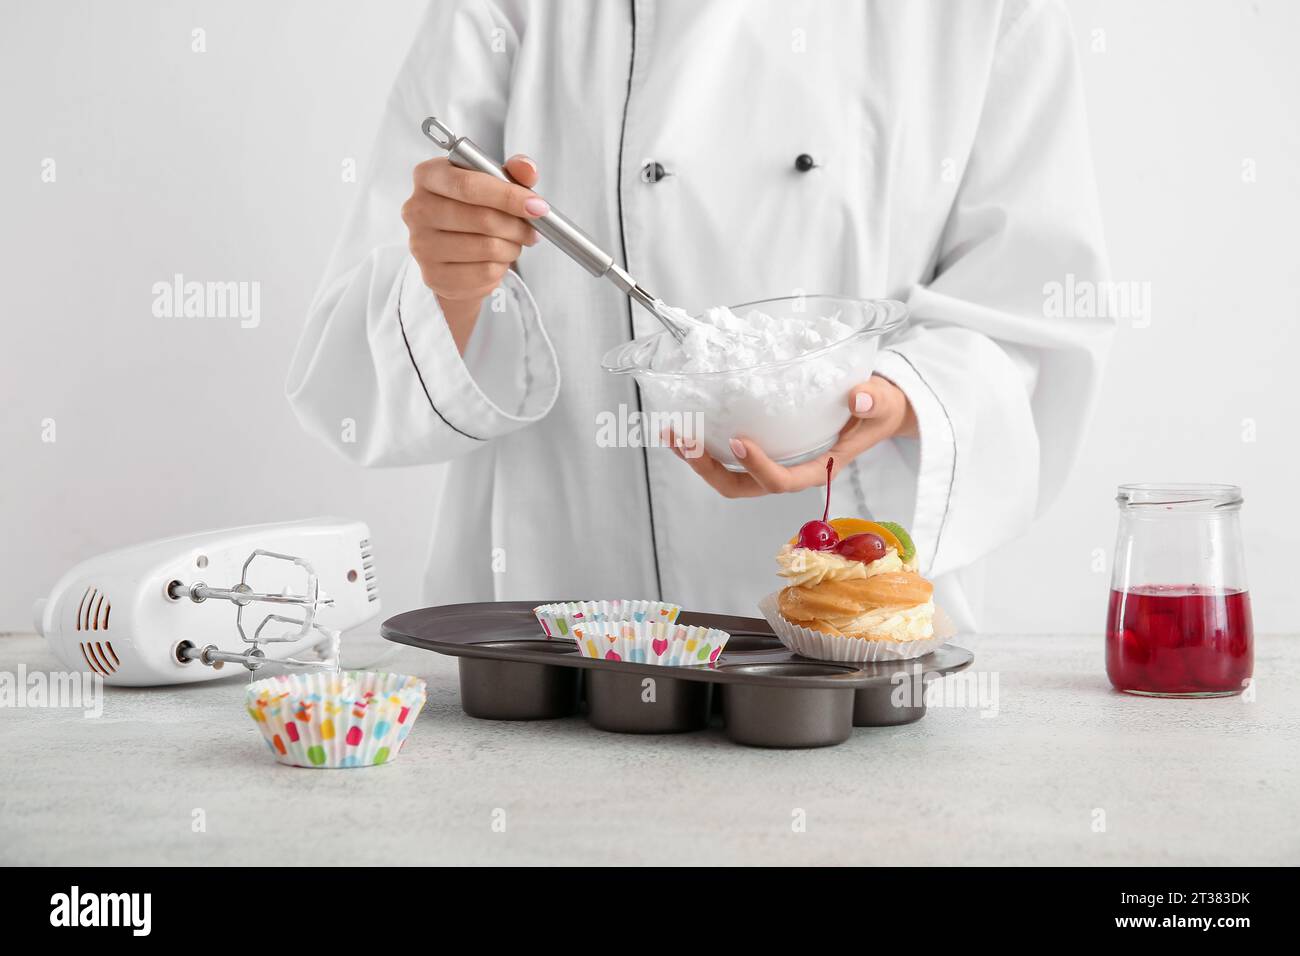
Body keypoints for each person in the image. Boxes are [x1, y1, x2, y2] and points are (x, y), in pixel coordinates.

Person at [287, 0, 1112, 630]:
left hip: (853, 629)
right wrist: (452, 283)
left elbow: (1032, 312)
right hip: (555, 629)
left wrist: (891, 396)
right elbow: (350, 380)